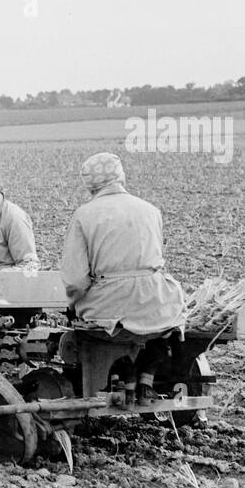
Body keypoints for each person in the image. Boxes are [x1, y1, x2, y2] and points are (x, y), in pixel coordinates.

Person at [60, 152, 187, 402]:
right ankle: (145, 379)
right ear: (121, 177)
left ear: (90, 185)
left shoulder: (84, 215)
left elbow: (76, 280)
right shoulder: (151, 210)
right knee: (163, 324)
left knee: (98, 328)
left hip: (110, 306)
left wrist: (71, 305)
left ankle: (123, 377)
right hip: (156, 302)